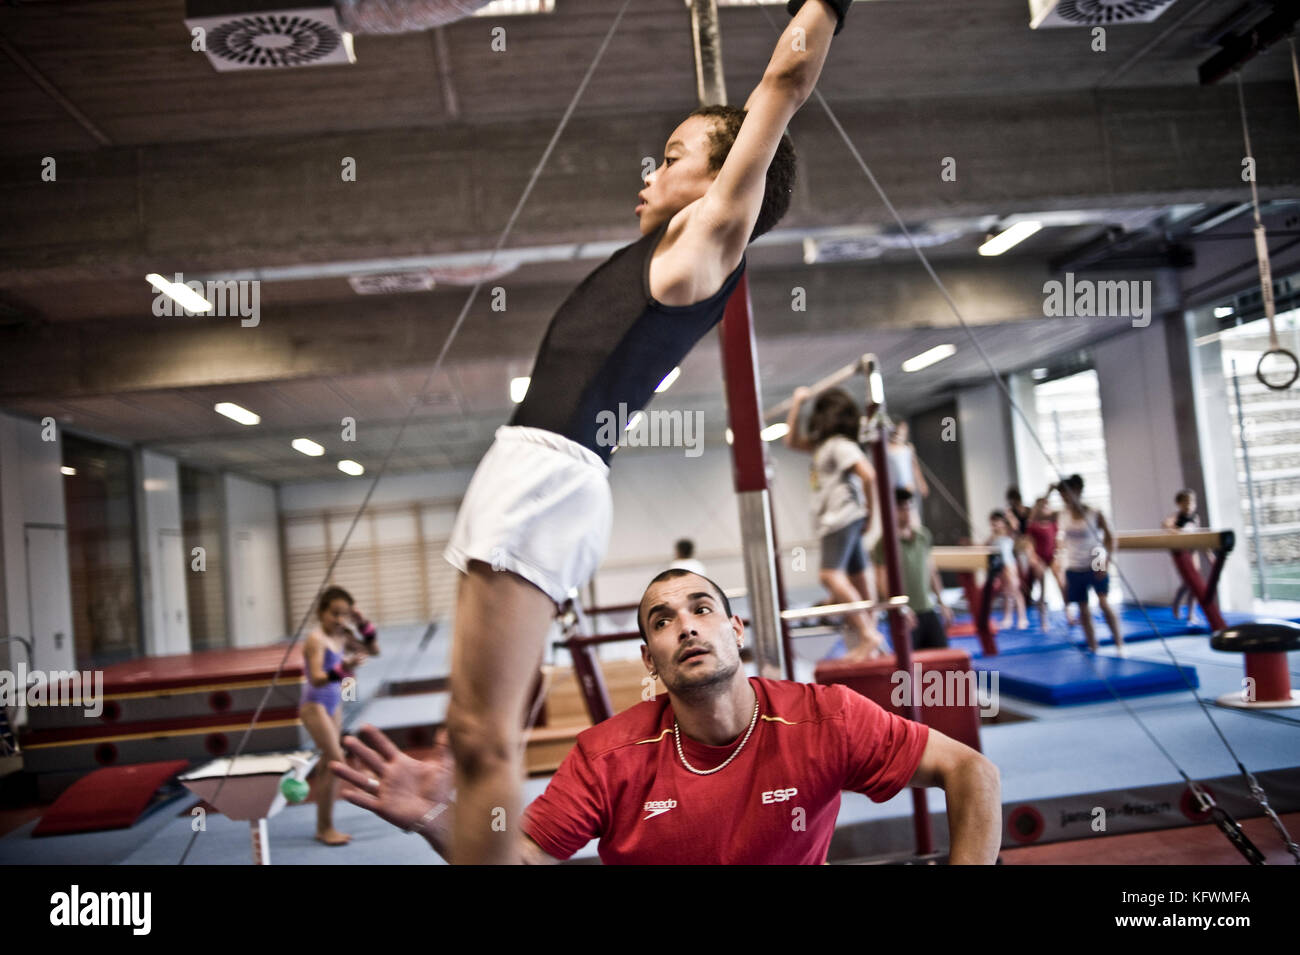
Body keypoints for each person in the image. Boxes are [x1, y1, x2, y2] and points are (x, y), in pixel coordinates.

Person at [437, 0, 840, 863]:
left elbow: (785, 80)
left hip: (551, 470)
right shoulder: (670, 247)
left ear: (729, 178)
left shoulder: (710, 238)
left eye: (669, 157)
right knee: (469, 736)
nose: (648, 174)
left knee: (488, 742)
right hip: (522, 462)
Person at [332, 569, 1002, 864]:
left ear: (737, 630)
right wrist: (434, 819)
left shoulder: (824, 717)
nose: (685, 625)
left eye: (701, 608)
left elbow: (971, 770)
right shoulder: (607, 755)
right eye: (663, 619)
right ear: (648, 657)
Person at [785, 386, 886, 659]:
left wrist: (870, 514)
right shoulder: (823, 447)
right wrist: (798, 403)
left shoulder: (841, 445)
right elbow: (790, 441)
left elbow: (869, 475)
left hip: (840, 518)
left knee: (829, 576)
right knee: (859, 582)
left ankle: (868, 634)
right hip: (842, 519)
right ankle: (874, 645)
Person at [300, 586, 370, 846]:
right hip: (314, 705)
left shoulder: (341, 636)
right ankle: (325, 827)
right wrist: (345, 668)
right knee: (337, 761)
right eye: (334, 614)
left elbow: (372, 649)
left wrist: (363, 623)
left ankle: (323, 826)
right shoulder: (316, 640)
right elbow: (317, 678)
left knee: (327, 766)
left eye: (345, 615)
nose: (339, 620)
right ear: (321, 612)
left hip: (334, 705)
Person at [872, 488, 952, 649]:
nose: (907, 512)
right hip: (905, 615)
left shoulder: (923, 536)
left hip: (928, 610)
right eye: (901, 508)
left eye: (909, 507)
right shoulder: (884, 543)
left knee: (944, 662)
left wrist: (943, 603)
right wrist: (900, 609)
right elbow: (881, 583)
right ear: (892, 510)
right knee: (910, 668)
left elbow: (931, 571)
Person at [1057, 474, 1124, 653]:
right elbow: (1035, 517)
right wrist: (1049, 492)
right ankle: (1093, 647)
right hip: (1074, 565)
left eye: (1067, 494)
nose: (1064, 499)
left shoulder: (1094, 512)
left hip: (1095, 560)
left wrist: (1106, 560)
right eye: (1062, 496)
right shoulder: (1062, 515)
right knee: (1083, 609)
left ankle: (1120, 645)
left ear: (1078, 492)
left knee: (1103, 603)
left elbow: (1111, 538)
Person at [1024, 495, 1068, 630]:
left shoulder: (1054, 524)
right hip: (1040, 558)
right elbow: (1029, 544)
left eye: (1048, 506)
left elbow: (1058, 542)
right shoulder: (1033, 526)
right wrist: (1032, 557)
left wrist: (1059, 555)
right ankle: (1043, 620)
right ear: (1037, 509)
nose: (1046, 508)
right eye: (1043, 506)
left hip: (1052, 557)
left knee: (1062, 585)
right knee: (1042, 589)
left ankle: (1069, 614)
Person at [1162, 489, 1206, 620]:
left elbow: (1200, 536)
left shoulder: (1195, 518)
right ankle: (1176, 604)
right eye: (1186, 502)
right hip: (1180, 554)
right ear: (1178, 503)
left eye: (1192, 502)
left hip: (1193, 552)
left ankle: (1191, 613)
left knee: (1195, 583)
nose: (1189, 505)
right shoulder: (1175, 517)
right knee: (1187, 583)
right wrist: (1174, 529)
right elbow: (1165, 524)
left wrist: (1209, 555)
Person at [986, 511, 1029, 631]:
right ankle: (1007, 618)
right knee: (1006, 593)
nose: (994, 525)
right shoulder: (993, 537)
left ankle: (1022, 618)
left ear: (1003, 523)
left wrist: (1009, 516)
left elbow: (1016, 526)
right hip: (1000, 567)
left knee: (1015, 592)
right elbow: (984, 545)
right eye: (992, 523)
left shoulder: (1008, 533)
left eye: (996, 523)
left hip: (1010, 565)